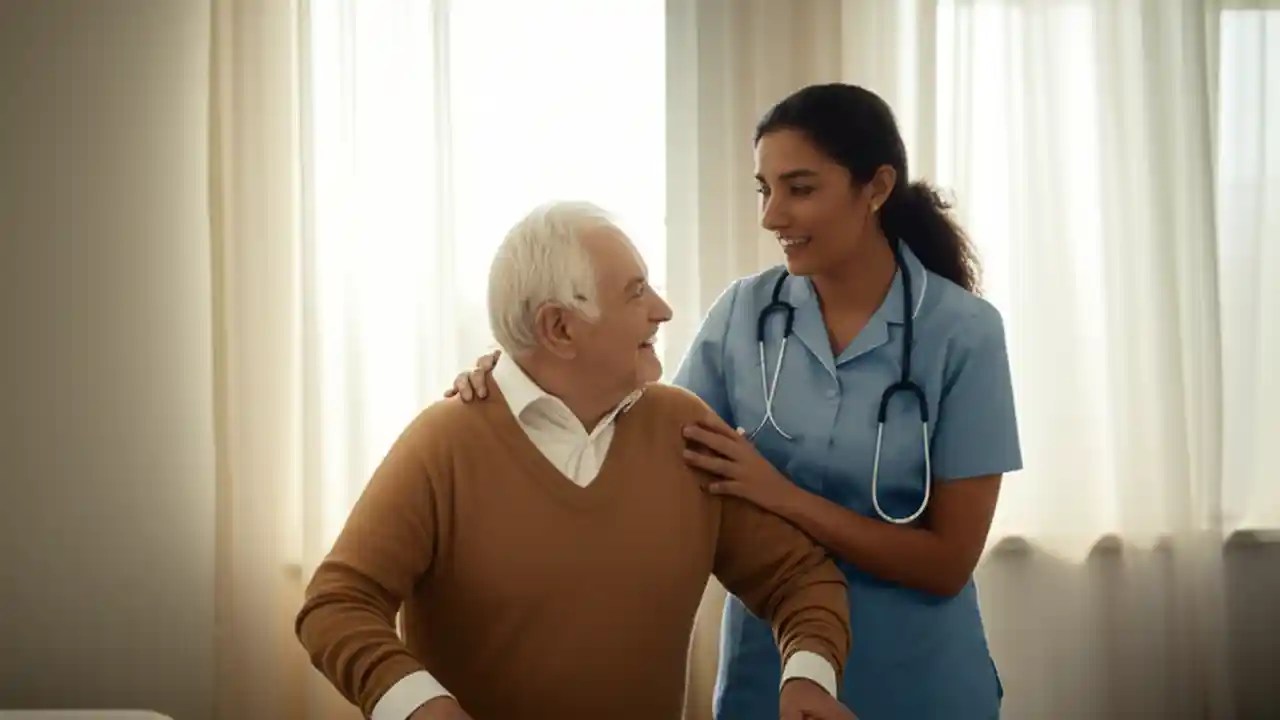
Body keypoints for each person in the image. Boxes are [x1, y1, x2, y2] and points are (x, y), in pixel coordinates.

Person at [445, 84, 1023, 720]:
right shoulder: (747, 312)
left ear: (877, 188)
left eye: (799, 189)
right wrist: (524, 371)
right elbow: (639, 435)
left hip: (918, 684)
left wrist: (780, 495)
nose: (772, 216)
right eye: (763, 189)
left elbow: (947, 563)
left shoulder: (963, 333)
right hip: (770, 681)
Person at [297, 200, 859, 720]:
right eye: (635, 293)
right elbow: (336, 605)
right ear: (559, 328)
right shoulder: (445, 443)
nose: (662, 310)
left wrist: (809, 677)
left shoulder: (682, 431)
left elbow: (799, 578)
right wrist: (420, 705)